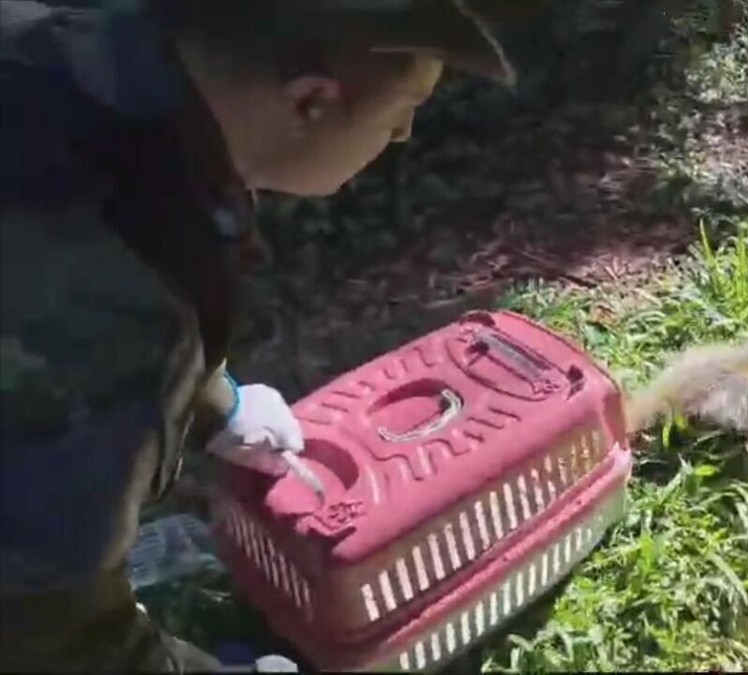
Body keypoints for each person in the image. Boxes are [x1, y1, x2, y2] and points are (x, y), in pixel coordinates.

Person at [0, 0, 520, 670]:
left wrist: (217, 403)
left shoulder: (60, 51)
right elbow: (49, 636)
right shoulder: (117, 305)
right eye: (405, 106)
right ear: (310, 102)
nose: (403, 134)